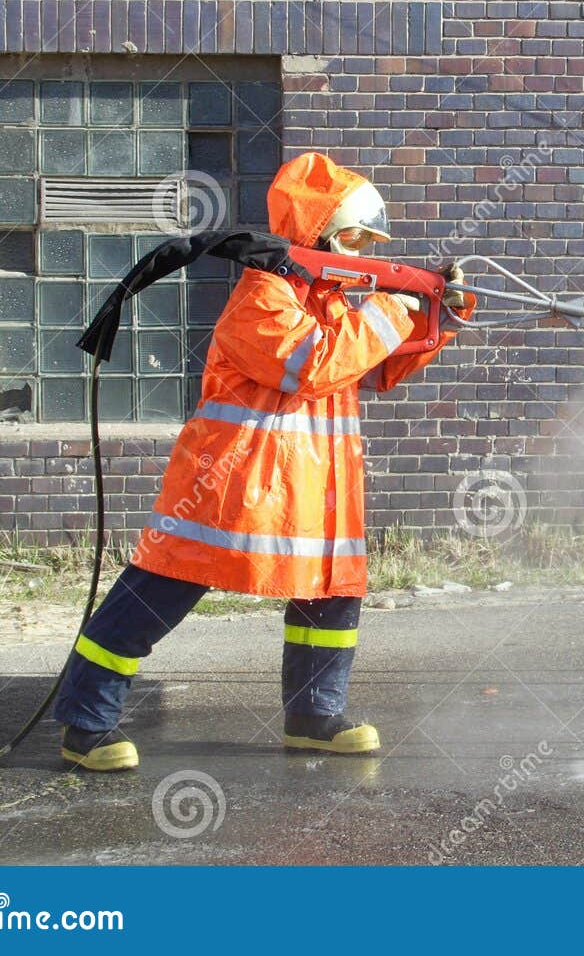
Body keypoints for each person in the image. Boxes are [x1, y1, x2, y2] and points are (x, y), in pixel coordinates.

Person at [52, 151, 471, 771]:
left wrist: (443, 314)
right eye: (355, 238)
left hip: (315, 495)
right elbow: (314, 365)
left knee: (331, 600)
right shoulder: (262, 298)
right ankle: (85, 724)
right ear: (320, 234)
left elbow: (374, 367)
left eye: (370, 241)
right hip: (230, 490)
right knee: (155, 595)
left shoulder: (333, 303)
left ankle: (315, 717)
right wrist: (388, 311)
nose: (364, 252)